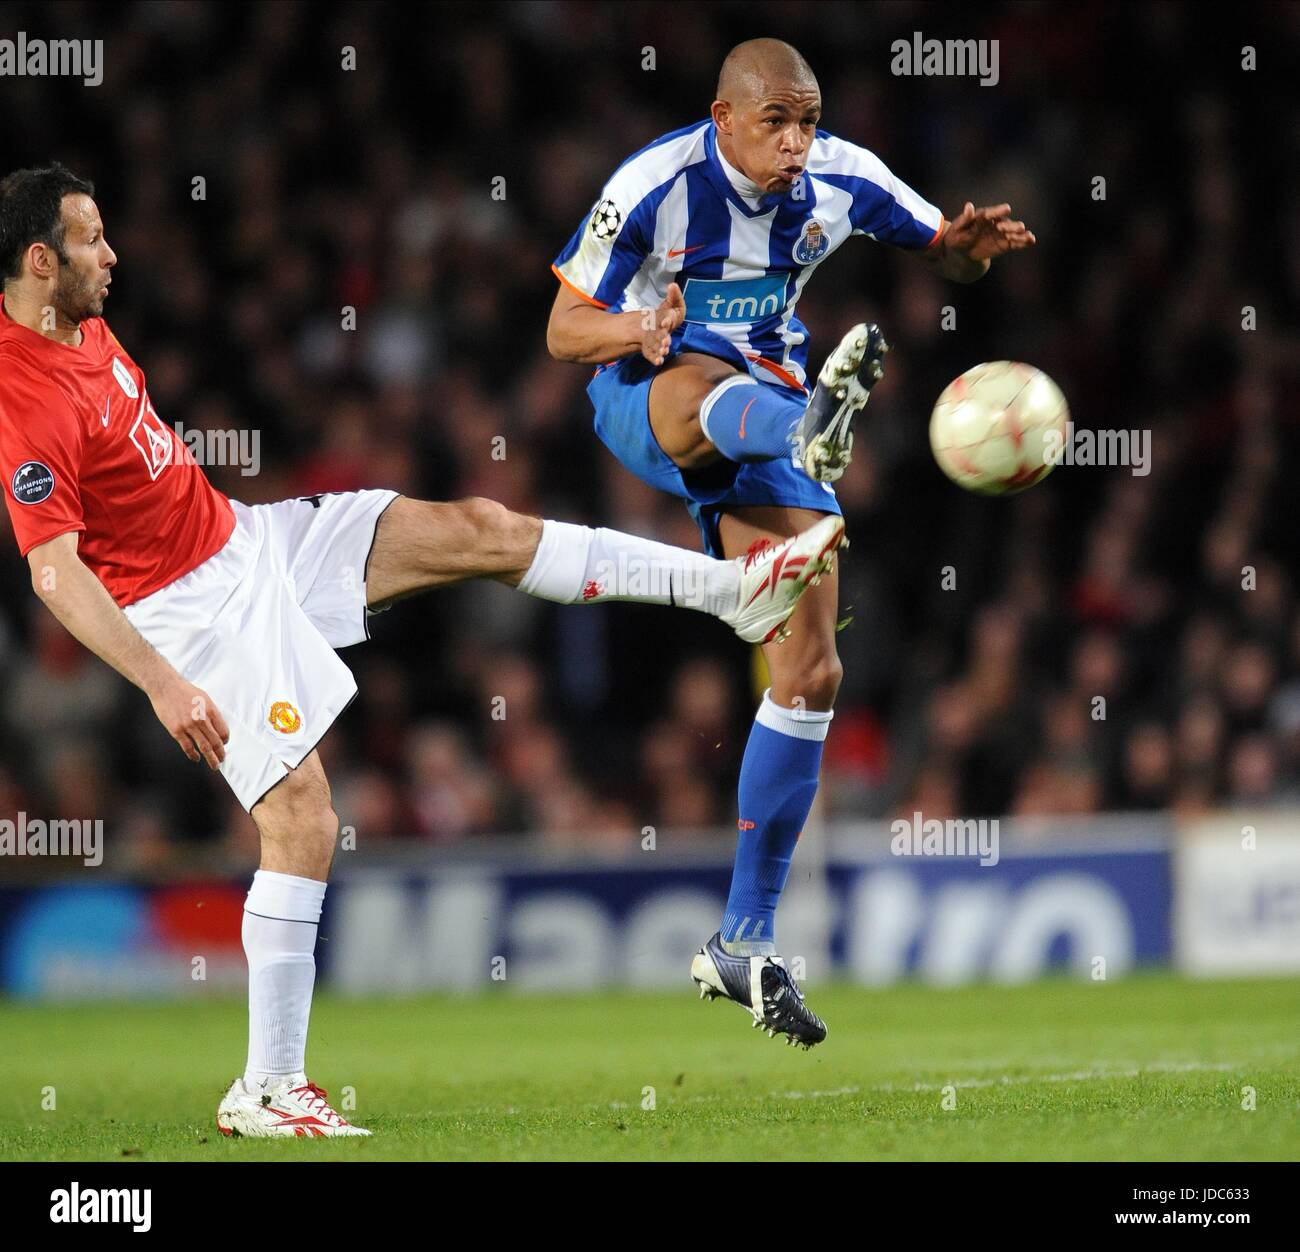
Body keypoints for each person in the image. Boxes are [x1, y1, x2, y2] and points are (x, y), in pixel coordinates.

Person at [0, 164, 841, 1136]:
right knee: (306, 818)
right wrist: (160, 680)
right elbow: (55, 573)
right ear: (37, 260)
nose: (111, 255)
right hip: (184, 610)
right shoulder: (25, 399)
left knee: (476, 526)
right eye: (90, 241)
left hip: (246, 540)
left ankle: (734, 593)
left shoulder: (80, 324)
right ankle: (268, 1086)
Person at [547, 38, 1035, 1047]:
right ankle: (800, 428)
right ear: (722, 118)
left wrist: (965, 249)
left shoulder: (843, 179)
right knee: (694, 379)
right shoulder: (653, 186)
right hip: (650, 392)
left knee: (811, 667)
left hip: (772, 403)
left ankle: (742, 940)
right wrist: (632, 331)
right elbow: (560, 327)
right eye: (775, 121)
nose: (797, 141)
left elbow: (935, 239)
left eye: (807, 120)